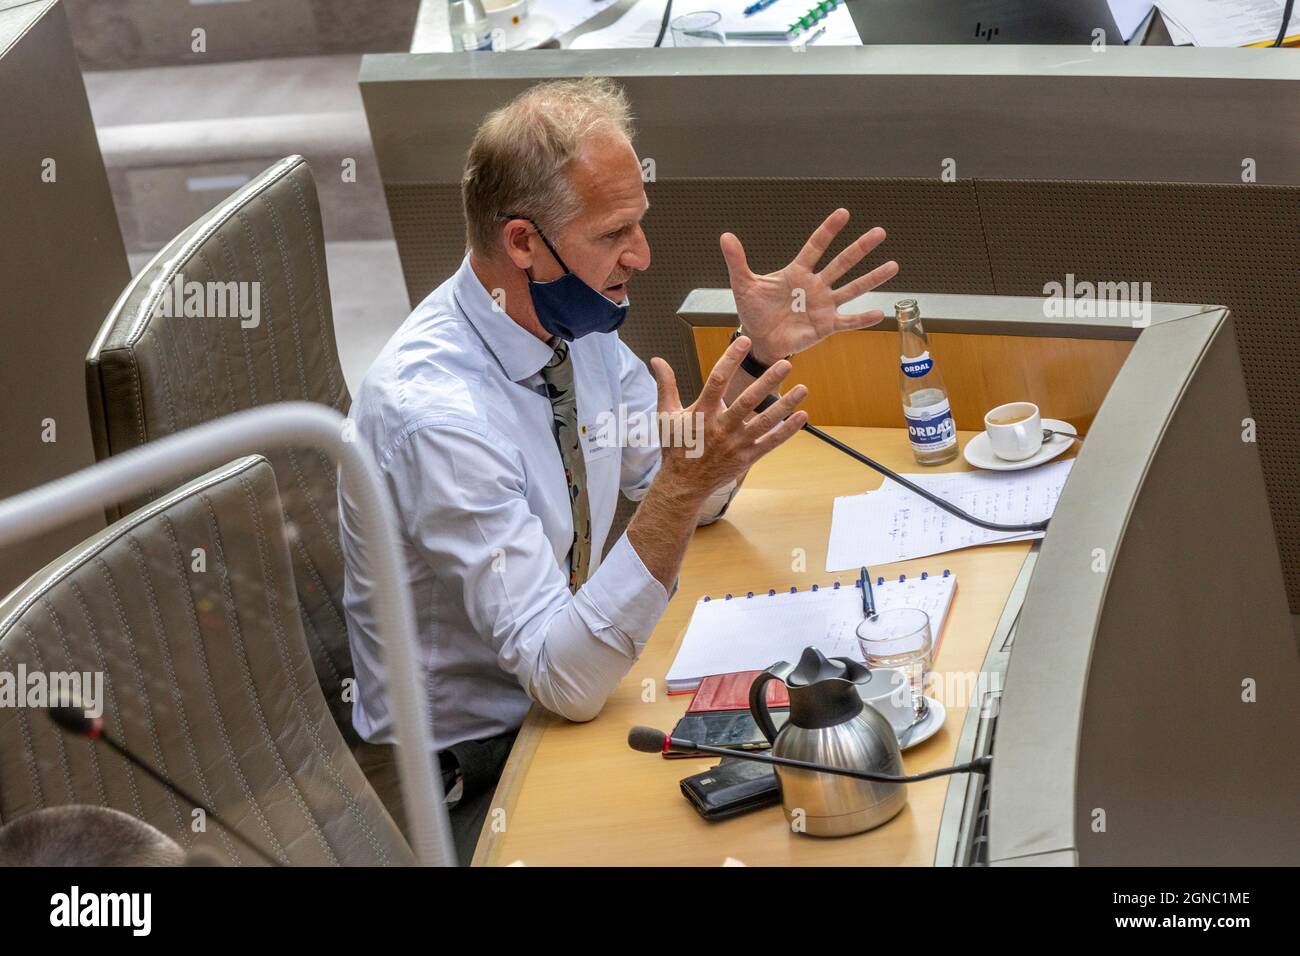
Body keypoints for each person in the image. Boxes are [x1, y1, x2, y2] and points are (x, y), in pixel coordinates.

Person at [338, 76, 899, 862]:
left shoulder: (567, 320)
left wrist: (756, 360)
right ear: (523, 242)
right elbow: (563, 682)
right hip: (475, 780)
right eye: (613, 235)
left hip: (565, 697)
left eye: (639, 224)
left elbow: (687, 485)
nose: (640, 255)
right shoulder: (439, 419)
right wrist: (675, 490)